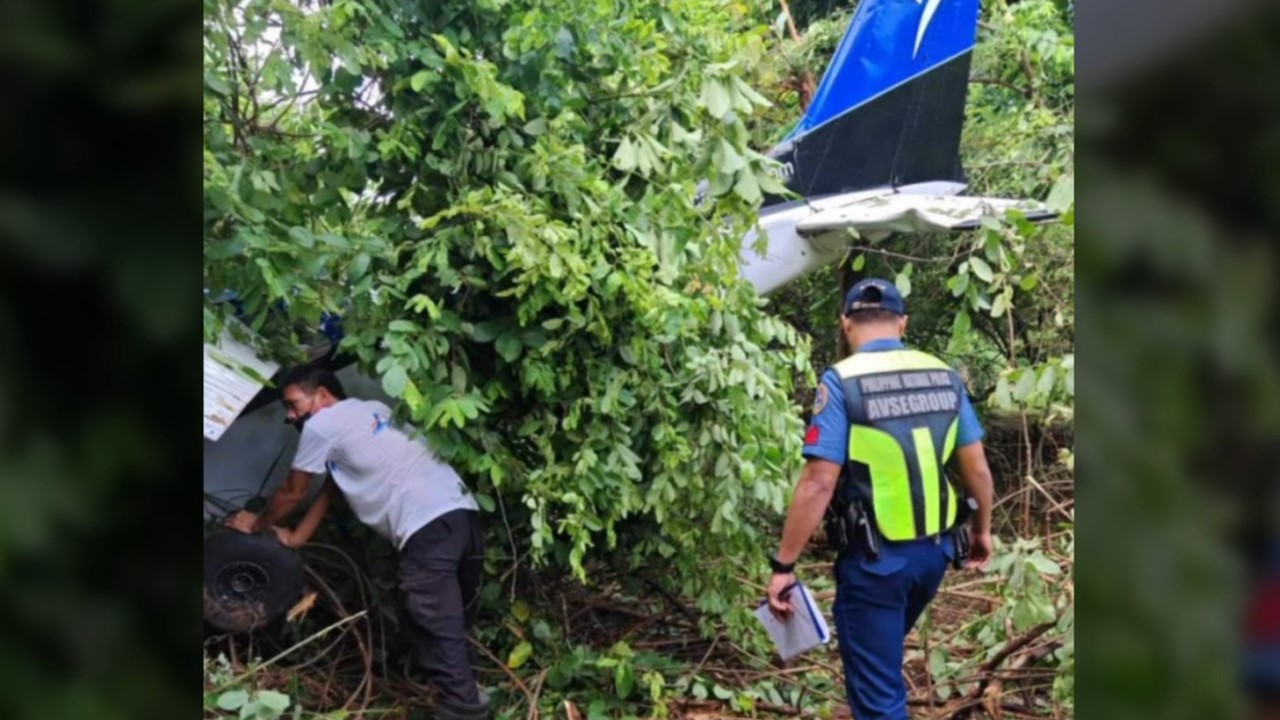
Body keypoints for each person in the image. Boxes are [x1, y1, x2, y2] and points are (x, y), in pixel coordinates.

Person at [765, 278, 995, 720]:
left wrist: (784, 566)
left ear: (846, 323)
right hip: (934, 556)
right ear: (902, 323)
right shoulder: (944, 376)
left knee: (879, 699)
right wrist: (981, 530)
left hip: (875, 563)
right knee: (879, 665)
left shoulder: (842, 381)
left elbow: (817, 482)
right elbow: (978, 470)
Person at [226, 365, 489, 720]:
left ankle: (463, 708)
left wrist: (256, 524)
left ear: (321, 394)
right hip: (461, 514)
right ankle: (467, 692)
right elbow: (334, 487)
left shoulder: (323, 424)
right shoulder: (370, 412)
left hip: (426, 524)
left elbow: (292, 491)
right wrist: (299, 536)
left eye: (293, 404)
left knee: (433, 616)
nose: (290, 416)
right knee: (447, 616)